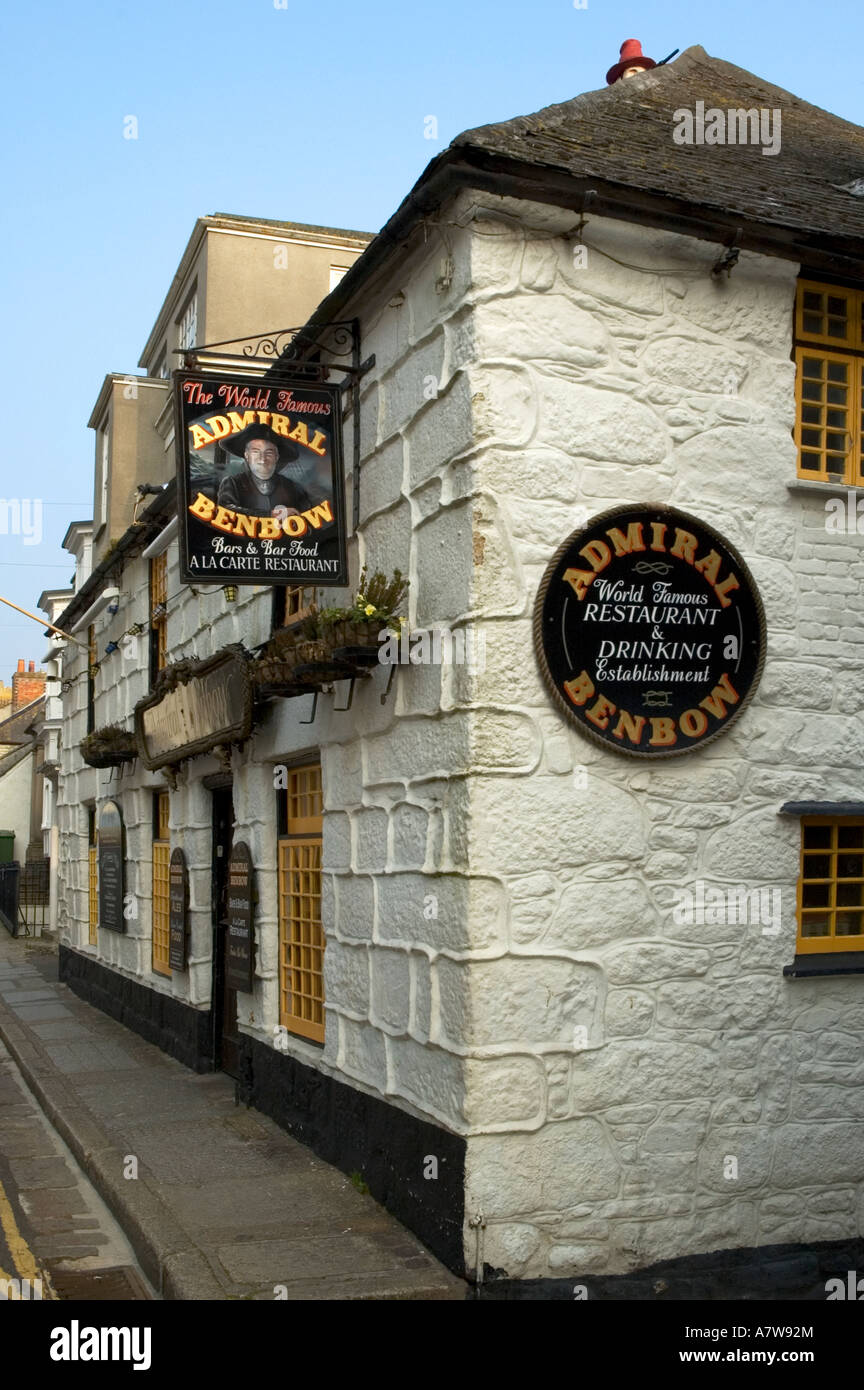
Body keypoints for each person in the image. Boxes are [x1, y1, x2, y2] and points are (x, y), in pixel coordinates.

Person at [216, 424, 310, 519]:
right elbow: (225, 511)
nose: (262, 459)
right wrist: (269, 515)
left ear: (276, 457)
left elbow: (308, 519)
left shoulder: (293, 488)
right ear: (247, 456)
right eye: (256, 452)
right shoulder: (232, 483)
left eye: (269, 453)